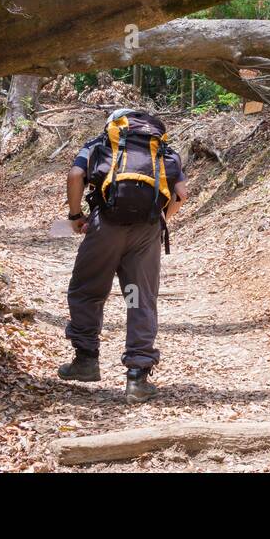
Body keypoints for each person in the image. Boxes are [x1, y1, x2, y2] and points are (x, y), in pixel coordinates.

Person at [58, 108, 187, 402]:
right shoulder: (164, 151)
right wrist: (160, 217)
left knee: (89, 290)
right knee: (137, 297)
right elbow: (181, 194)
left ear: (114, 125)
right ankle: (137, 377)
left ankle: (86, 360)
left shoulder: (99, 144)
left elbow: (76, 174)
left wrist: (76, 215)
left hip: (105, 228)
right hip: (146, 234)